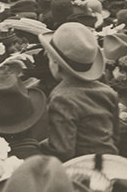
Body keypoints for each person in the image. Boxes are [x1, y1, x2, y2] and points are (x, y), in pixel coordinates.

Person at [39, 22, 119, 160]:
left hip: (83, 168)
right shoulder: (108, 92)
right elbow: (115, 136)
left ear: (56, 65)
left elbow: (63, 150)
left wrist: (38, 147)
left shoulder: (61, 97)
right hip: (111, 162)